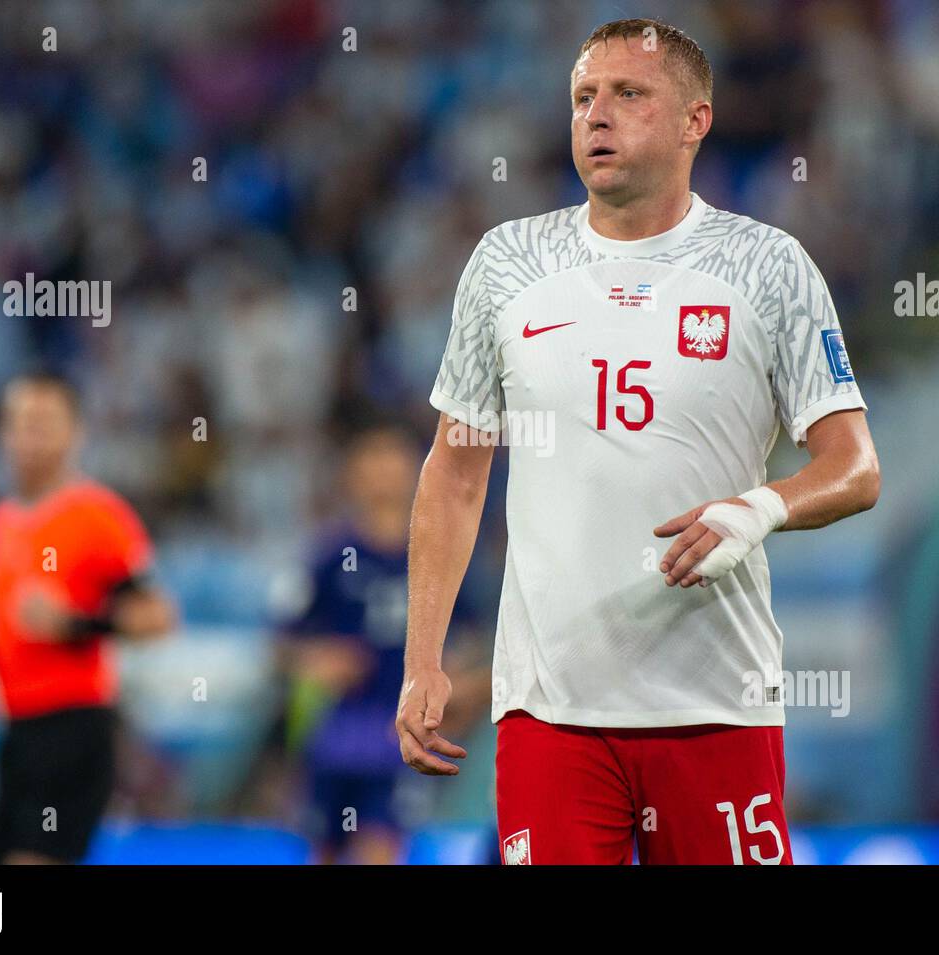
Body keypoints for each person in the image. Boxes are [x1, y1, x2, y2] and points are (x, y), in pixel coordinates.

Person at [396, 18, 880, 865]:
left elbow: (854, 467)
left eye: (628, 94)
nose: (596, 116)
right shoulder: (507, 262)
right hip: (551, 711)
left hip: (715, 701)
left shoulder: (767, 266)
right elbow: (456, 474)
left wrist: (757, 510)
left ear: (696, 120)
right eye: (584, 97)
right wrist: (422, 658)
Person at [0, 371, 176, 864]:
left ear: (75, 433)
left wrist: (74, 624)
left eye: (44, 423)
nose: (29, 437)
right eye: (20, 423)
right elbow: (14, 633)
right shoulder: (2, 522)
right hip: (15, 732)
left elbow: (157, 616)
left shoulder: (97, 516)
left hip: (73, 729)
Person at [279, 426, 485, 863]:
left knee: (380, 847)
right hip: (334, 737)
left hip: (399, 738)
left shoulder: (442, 553)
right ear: (350, 473)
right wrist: (315, 660)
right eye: (371, 457)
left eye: (392, 456)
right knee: (325, 849)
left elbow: (474, 642)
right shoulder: (330, 554)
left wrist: (460, 686)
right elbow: (282, 643)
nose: (383, 471)